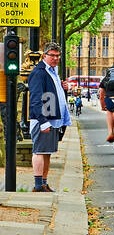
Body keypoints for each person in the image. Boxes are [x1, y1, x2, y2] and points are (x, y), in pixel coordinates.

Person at [27, 43, 71, 193]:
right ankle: (38, 185)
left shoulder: (53, 72)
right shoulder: (39, 72)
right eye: (52, 55)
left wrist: (62, 88)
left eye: (58, 56)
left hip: (52, 119)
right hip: (43, 120)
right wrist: (42, 121)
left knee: (47, 152)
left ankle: (44, 183)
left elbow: (52, 94)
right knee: (39, 151)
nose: (56, 58)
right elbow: (35, 99)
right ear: (44, 55)